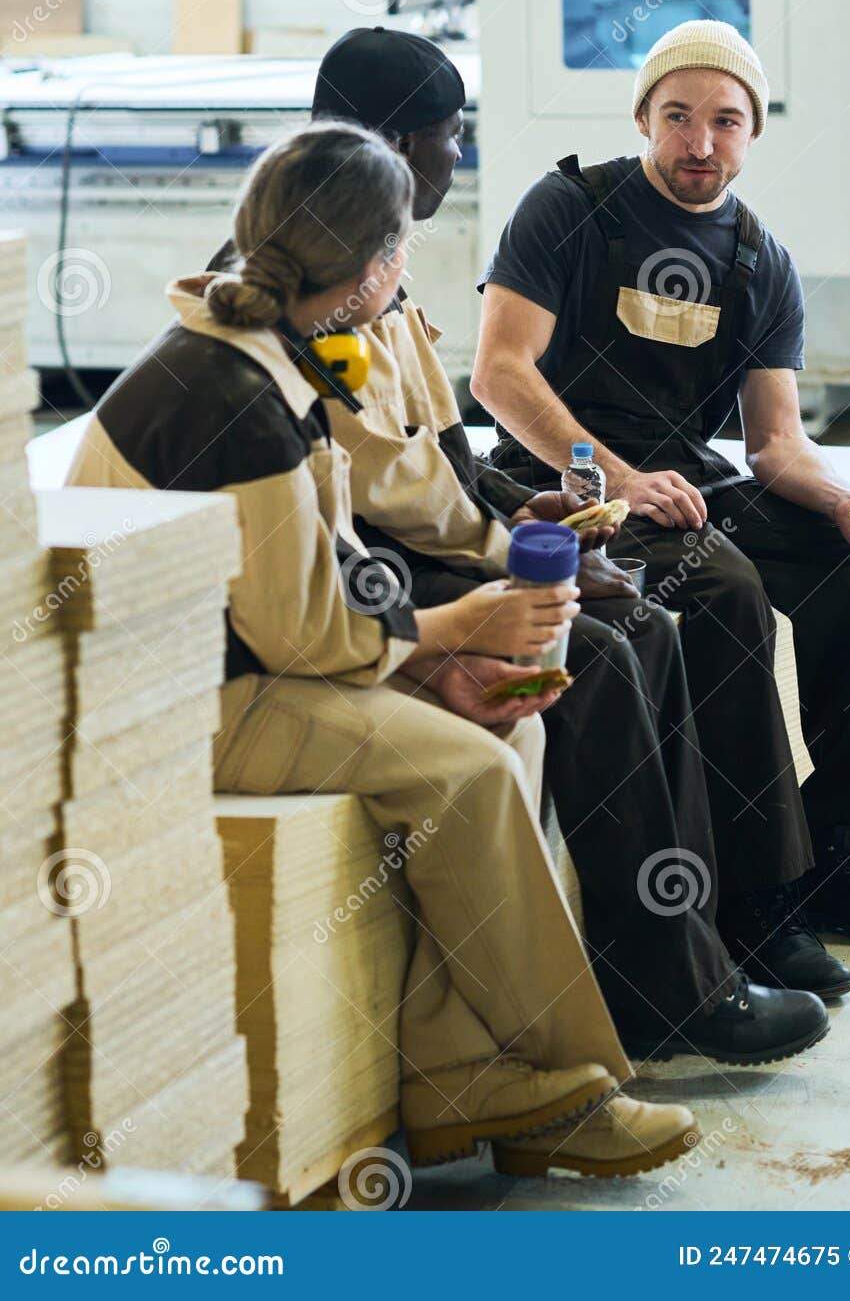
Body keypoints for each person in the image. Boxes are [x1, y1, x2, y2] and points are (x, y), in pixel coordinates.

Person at [64, 120, 699, 1182]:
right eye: (398, 247)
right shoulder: (231, 396)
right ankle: (565, 1078)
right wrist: (459, 629)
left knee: (513, 722)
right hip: (170, 702)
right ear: (366, 274)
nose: (405, 269)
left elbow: (321, 580)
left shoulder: (267, 353)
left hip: (233, 668)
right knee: (465, 768)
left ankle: (466, 1077)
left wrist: (439, 667)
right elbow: (302, 628)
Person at [302, 26, 829, 1065]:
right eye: (452, 137)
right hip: (386, 568)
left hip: (462, 517)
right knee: (619, 635)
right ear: (404, 143)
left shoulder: (372, 259)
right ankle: (669, 979)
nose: (461, 158)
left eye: (728, 120)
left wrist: (516, 522)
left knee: (673, 613)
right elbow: (394, 473)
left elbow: (426, 457)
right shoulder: (334, 279)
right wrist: (515, 541)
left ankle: (746, 908)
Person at [471, 19, 850, 993]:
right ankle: (750, 899)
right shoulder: (570, 210)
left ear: (752, 132)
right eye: (679, 118)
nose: (701, 143)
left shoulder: (758, 262)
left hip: (687, 476)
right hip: (558, 481)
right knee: (724, 589)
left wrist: (842, 495)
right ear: (644, 118)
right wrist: (610, 476)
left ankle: (833, 858)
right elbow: (499, 374)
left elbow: (776, 443)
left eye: (724, 122)